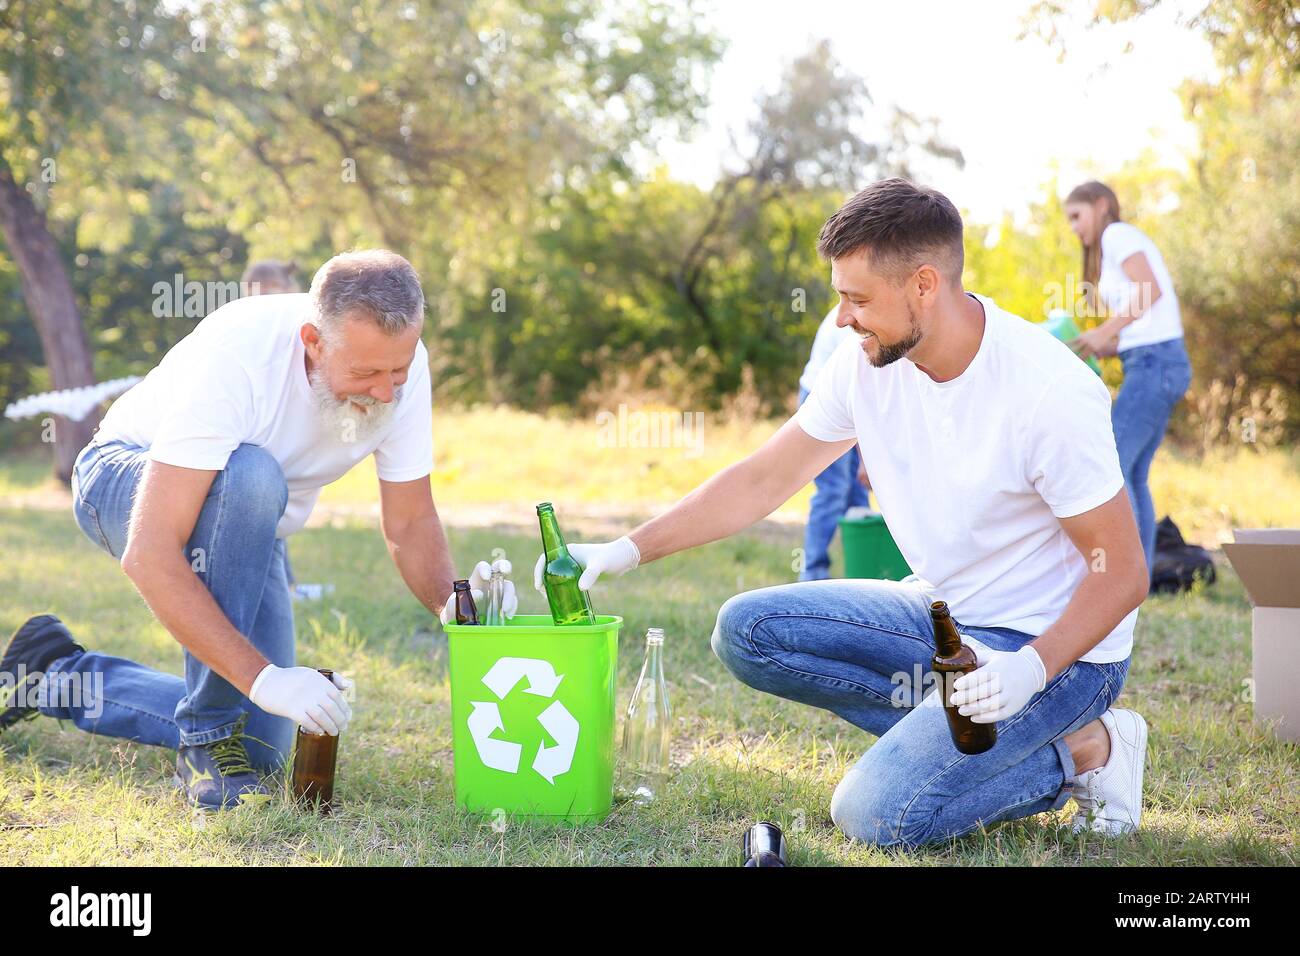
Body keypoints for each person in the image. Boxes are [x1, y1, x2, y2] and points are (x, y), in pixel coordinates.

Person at [536, 179, 1151, 846]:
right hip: (943, 619)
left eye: (857, 300)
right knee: (748, 630)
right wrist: (626, 550)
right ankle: (956, 734)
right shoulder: (865, 365)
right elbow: (763, 478)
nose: (841, 319)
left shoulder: (1049, 391)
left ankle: (1090, 750)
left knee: (876, 814)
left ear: (923, 285)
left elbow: (1120, 573)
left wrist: (1031, 666)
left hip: (1060, 653)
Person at [1, 250, 516, 811]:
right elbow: (150, 552)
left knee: (263, 748)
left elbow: (411, 519)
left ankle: (50, 673)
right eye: (367, 373)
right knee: (252, 473)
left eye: (400, 369)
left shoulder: (398, 368)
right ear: (313, 342)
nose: (387, 391)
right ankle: (204, 739)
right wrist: (263, 678)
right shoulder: (239, 353)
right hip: (123, 479)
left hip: (249, 521)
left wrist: (455, 601)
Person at [1065, 181, 1193, 576]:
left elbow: (1149, 290)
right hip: (1153, 360)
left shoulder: (1117, 234)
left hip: (1156, 363)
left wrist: (1106, 331)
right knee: (1133, 473)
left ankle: (1123, 578)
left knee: (1113, 466)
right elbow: (1145, 313)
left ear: (1101, 205)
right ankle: (1140, 575)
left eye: (1076, 215)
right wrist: (1111, 342)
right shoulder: (1111, 248)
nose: (1073, 227)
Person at [797, 307, 873, 581]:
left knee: (857, 494)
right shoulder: (856, 328)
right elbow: (859, 399)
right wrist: (867, 462)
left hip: (849, 401)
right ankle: (812, 574)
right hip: (819, 397)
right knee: (833, 489)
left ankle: (865, 575)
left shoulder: (874, 311)